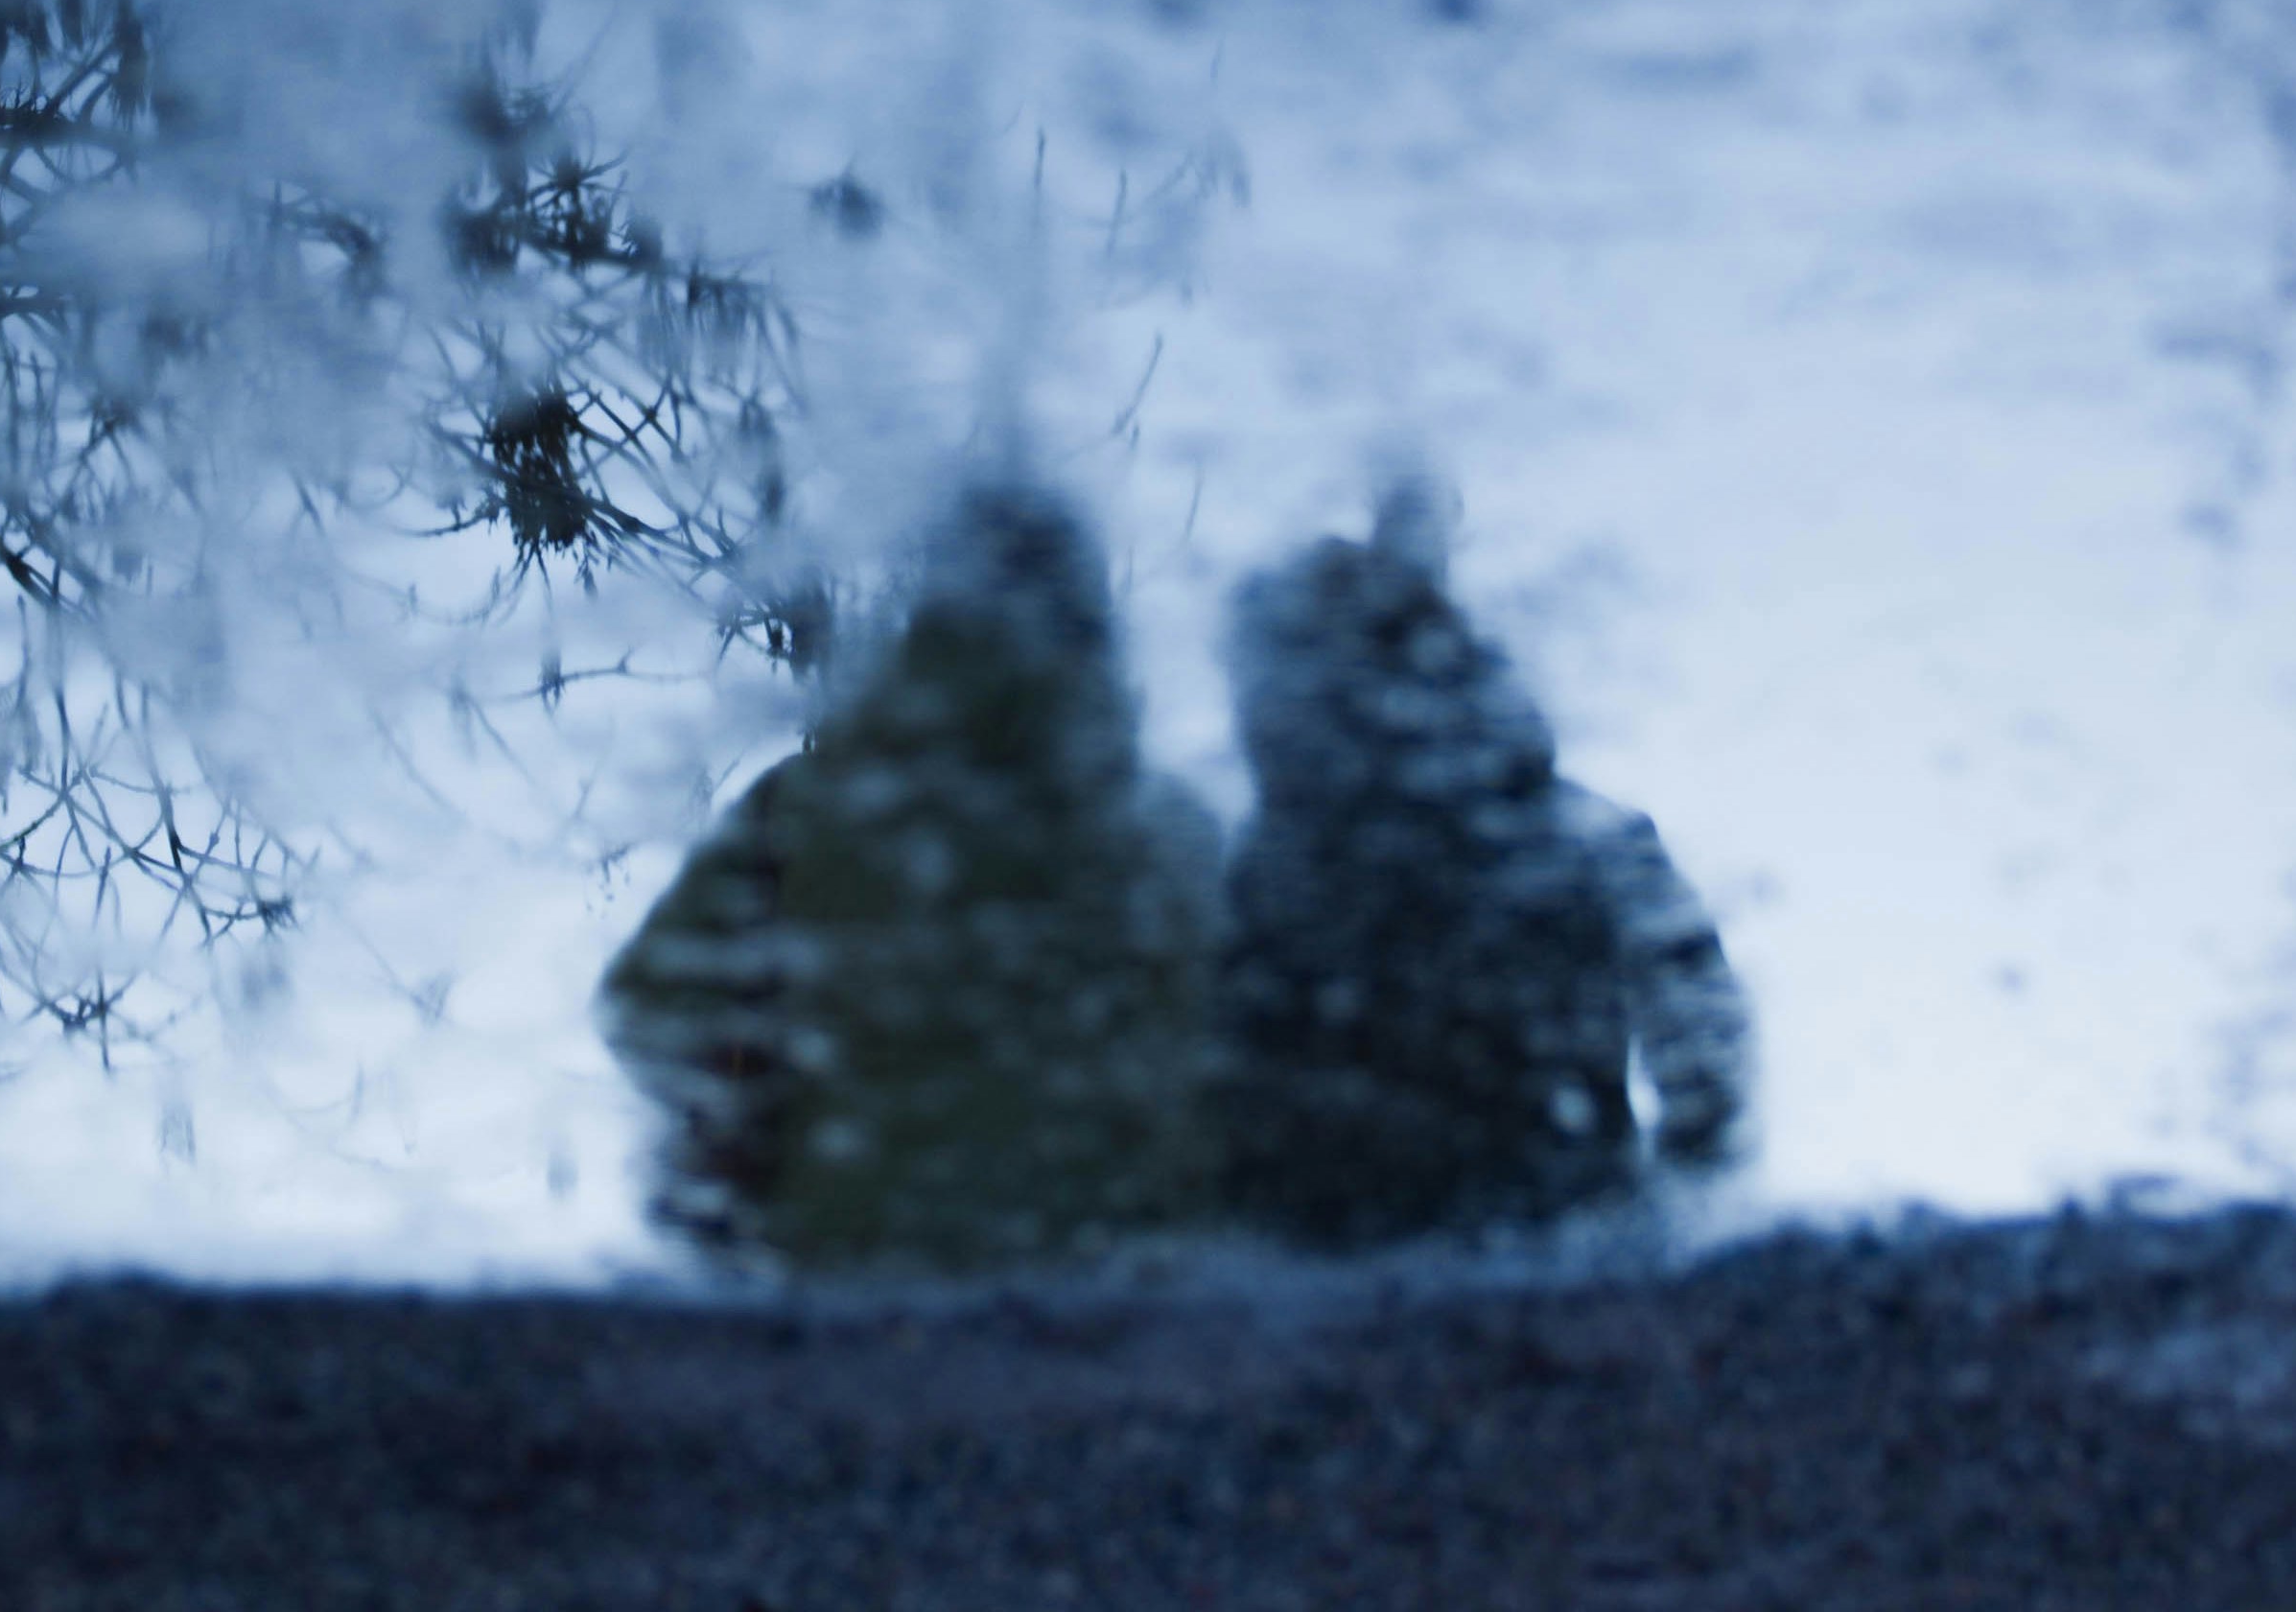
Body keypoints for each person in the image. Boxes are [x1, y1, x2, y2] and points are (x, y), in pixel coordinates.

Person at [597, 482, 1222, 1272]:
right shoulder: (1165, 835)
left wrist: (763, 1093)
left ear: (929, 609)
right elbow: (1227, 1062)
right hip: (1116, 1293)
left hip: (851, 1279)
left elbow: (650, 1005)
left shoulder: (805, 811)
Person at [1215, 489, 1750, 1248]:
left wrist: (1674, 1202)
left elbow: (1701, 1035)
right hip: (1486, 1234)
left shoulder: (1559, 839)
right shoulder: (1264, 868)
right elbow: (1703, 1041)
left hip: (1504, 1231)